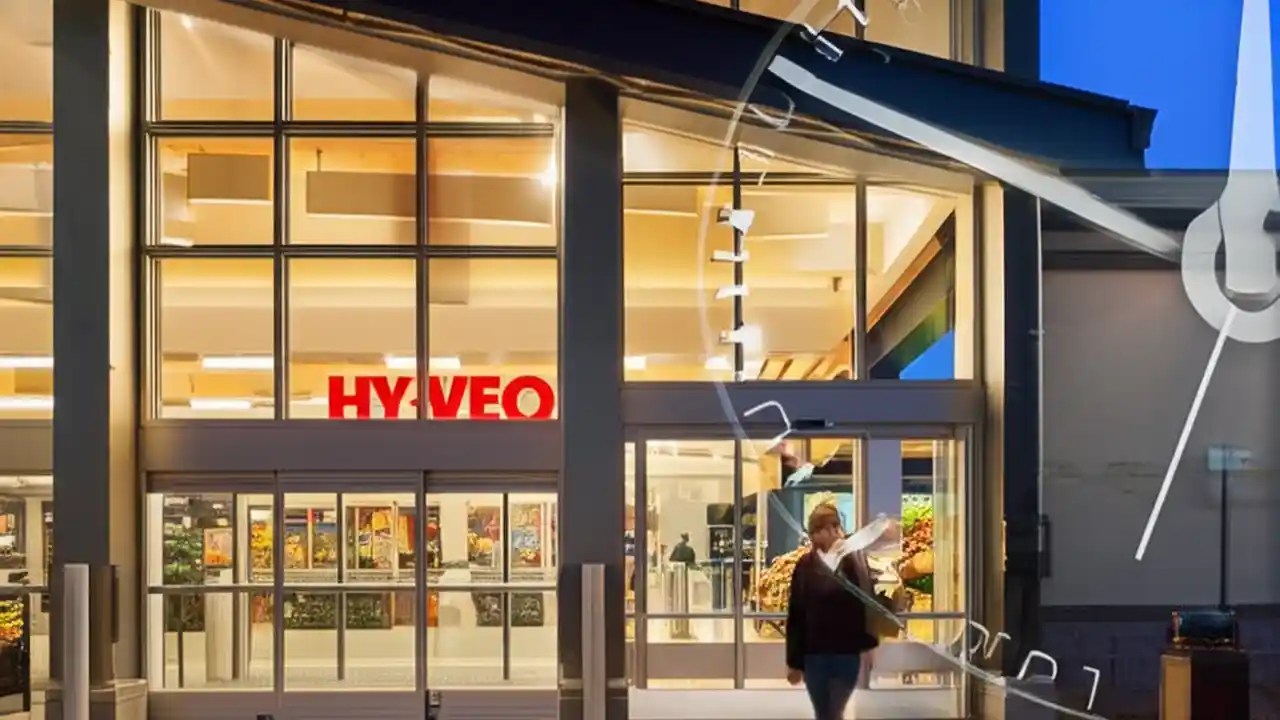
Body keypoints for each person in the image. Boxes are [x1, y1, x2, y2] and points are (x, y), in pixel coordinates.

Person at [785, 504, 879, 720]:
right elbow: (796, 614)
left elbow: (866, 603)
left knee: (834, 711)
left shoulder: (853, 562)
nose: (818, 535)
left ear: (836, 528)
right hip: (814, 656)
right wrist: (794, 662)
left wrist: (870, 644)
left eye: (823, 529)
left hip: (845, 655)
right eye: (814, 530)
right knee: (822, 712)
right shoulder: (805, 565)